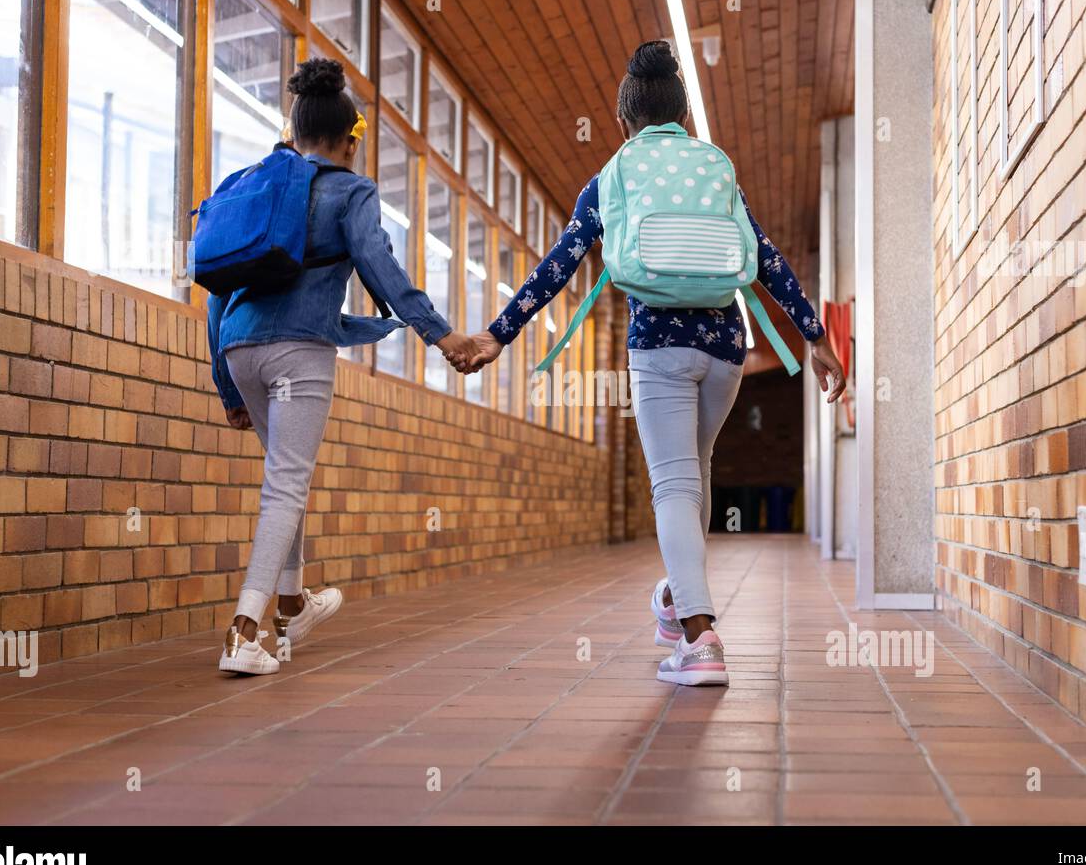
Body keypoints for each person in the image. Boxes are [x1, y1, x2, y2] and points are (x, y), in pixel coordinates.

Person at [465, 40, 847, 686]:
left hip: (659, 344)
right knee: (692, 474)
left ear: (623, 122)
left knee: (672, 482)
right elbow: (766, 255)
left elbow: (560, 262)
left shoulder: (612, 174)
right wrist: (815, 335)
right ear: (683, 115)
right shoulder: (715, 166)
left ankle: (699, 640)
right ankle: (676, 603)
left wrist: (501, 333)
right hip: (725, 346)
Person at [208, 58, 477, 674]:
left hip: (239, 348)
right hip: (300, 349)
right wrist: (442, 336)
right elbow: (382, 269)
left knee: (286, 476)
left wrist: (227, 385)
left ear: (293, 127)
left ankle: (294, 603)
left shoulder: (247, 183)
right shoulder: (350, 190)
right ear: (349, 140)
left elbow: (216, 292)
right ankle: (244, 632)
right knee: (286, 483)